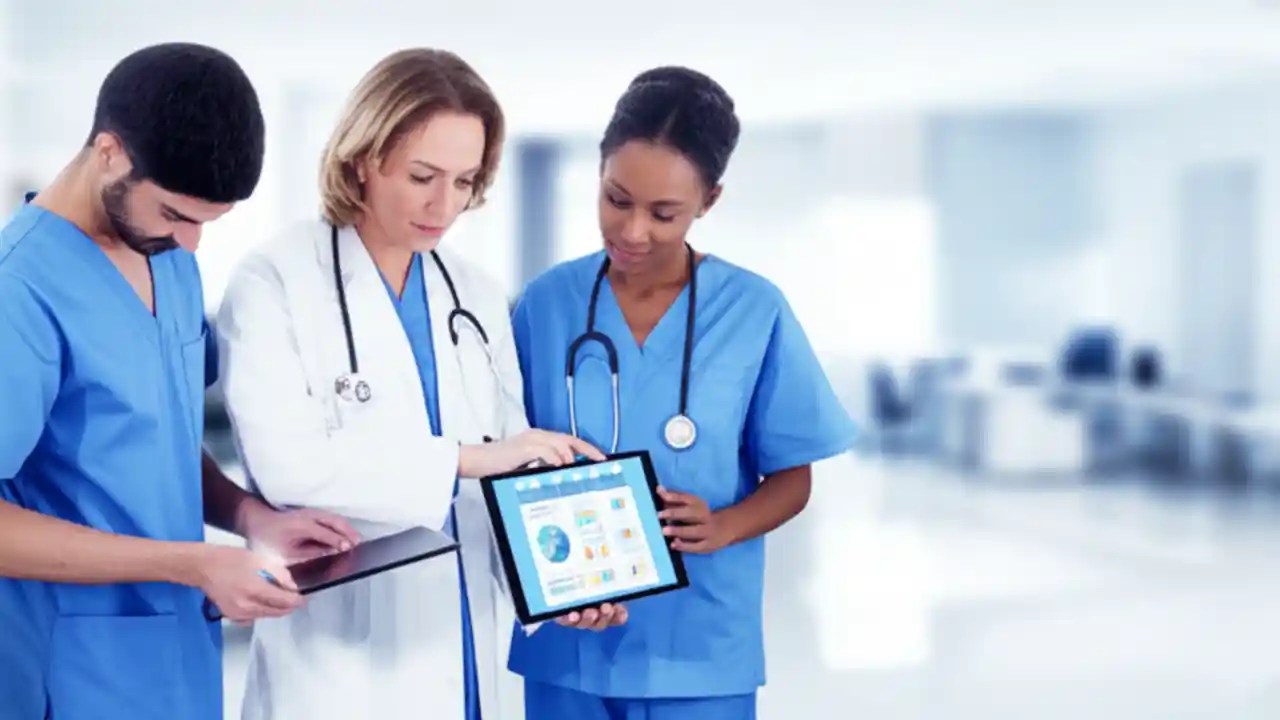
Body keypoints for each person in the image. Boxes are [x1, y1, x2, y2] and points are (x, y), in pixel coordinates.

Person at [215, 48, 624, 720]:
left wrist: (561, 585)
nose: (445, 205)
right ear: (362, 159)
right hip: (345, 655)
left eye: (466, 181)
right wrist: (470, 459)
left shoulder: (476, 293)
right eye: (423, 175)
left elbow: (509, 460)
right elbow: (291, 468)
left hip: (463, 634)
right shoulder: (277, 279)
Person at [0, 43, 358, 720]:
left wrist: (250, 518)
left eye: (205, 224)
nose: (192, 245)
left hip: (174, 666)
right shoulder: (20, 293)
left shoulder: (167, 261)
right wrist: (193, 563)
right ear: (109, 152)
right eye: (175, 215)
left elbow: (154, 436)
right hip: (72, 674)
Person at [508, 66, 858, 719]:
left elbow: (793, 478)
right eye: (616, 199)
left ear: (710, 200)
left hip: (697, 647)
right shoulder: (546, 305)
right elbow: (503, 457)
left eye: (663, 213)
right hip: (569, 637)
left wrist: (724, 525)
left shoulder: (754, 310)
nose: (633, 232)